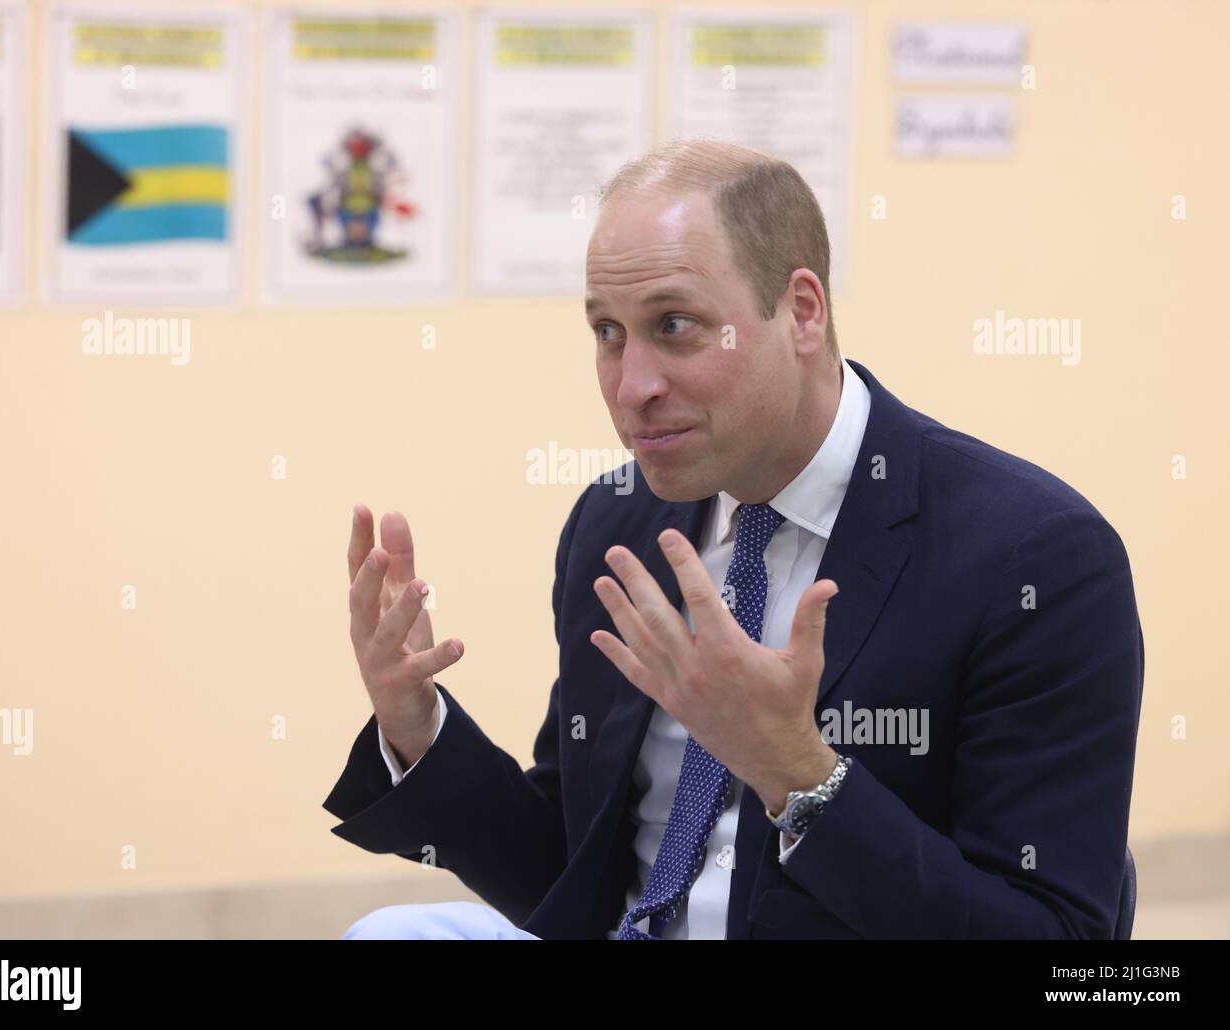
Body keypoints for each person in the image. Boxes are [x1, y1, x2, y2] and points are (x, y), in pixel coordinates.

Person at [323, 139, 1143, 939]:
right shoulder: (618, 524)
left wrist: (798, 775)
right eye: (607, 333)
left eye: (674, 325)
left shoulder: (1033, 556)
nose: (632, 387)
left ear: (804, 312)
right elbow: (572, 874)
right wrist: (418, 728)